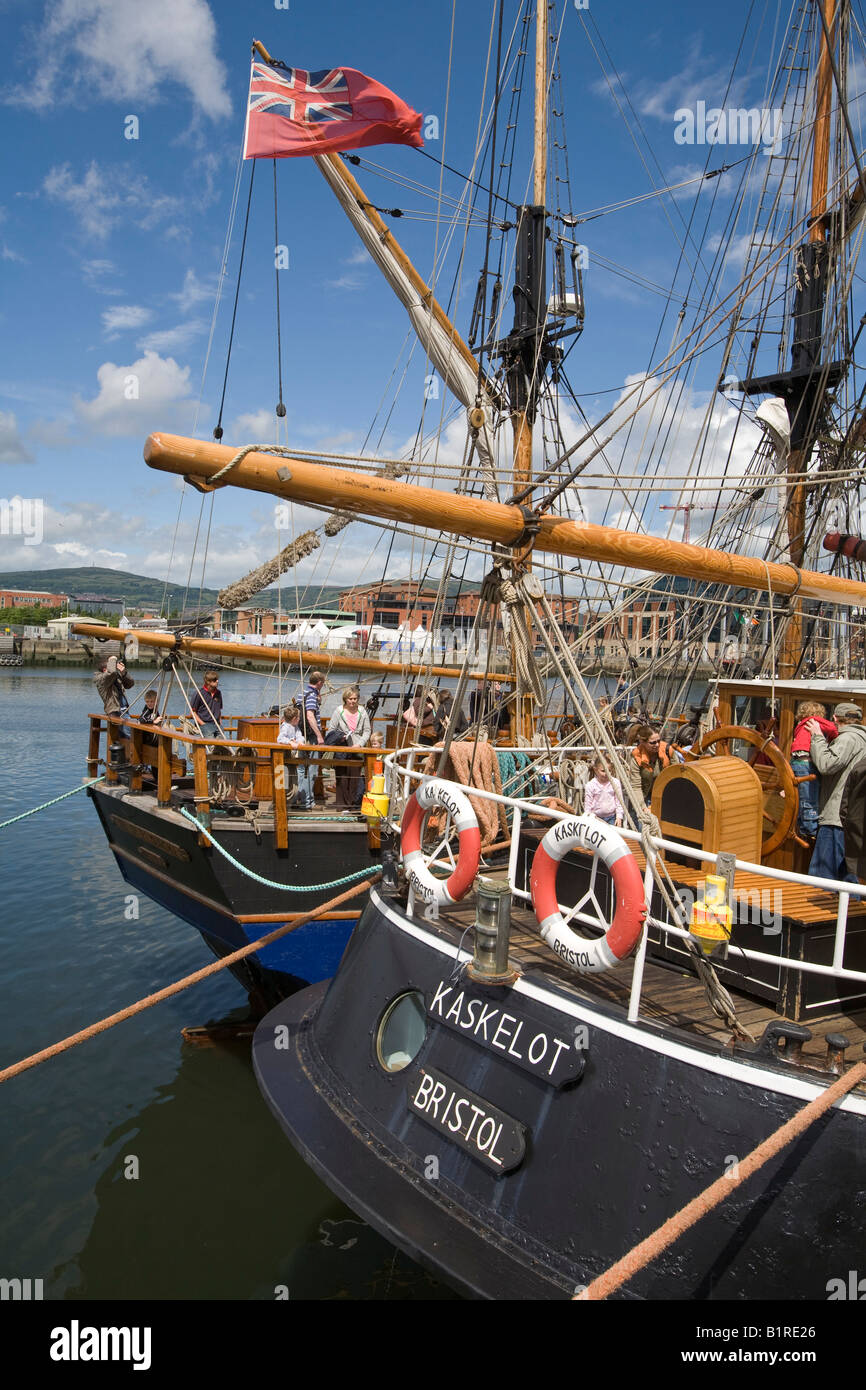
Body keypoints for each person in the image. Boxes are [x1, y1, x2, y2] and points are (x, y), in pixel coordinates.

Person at [805, 701, 866, 883]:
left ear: (834, 718)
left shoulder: (848, 739)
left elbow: (826, 764)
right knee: (847, 876)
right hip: (851, 817)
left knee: (822, 877)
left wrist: (817, 736)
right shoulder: (862, 739)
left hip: (835, 818)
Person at [790, 701, 837, 838]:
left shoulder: (800, 724)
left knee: (801, 796)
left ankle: (802, 825)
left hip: (795, 762)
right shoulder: (814, 721)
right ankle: (810, 829)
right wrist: (832, 739)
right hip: (807, 764)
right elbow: (833, 729)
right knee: (810, 796)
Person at [331, 686, 372, 808]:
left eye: (355, 698)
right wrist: (340, 737)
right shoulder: (338, 711)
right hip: (342, 748)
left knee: (355, 777)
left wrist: (360, 744)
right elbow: (332, 729)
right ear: (345, 699)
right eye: (350, 699)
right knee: (342, 777)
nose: (353, 701)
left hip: (357, 748)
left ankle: (352, 804)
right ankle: (341, 805)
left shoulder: (362, 711)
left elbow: (367, 731)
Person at [278, 702, 314, 809]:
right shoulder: (285, 727)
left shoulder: (295, 727)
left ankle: (290, 801)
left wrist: (300, 742)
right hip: (283, 757)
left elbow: (300, 736)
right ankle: (281, 802)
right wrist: (290, 742)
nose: (299, 719)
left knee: (292, 778)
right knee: (283, 779)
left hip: (292, 757)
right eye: (298, 717)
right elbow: (280, 739)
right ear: (294, 719)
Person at [631, 725, 670, 803]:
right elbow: (636, 786)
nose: (657, 745)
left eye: (659, 741)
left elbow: (677, 774)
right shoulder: (637, 757)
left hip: (666, 796)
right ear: (642, 742)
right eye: (653, 743)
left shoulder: (668, 751)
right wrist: (642, 807)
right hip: (644, 797)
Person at [583, 758, 624, 826]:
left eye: (609, 770)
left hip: (612, 818)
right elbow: (588, 805)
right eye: (603, 771)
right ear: (595, 770)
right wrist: (587, 818)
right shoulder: (590, 785)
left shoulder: (615, 783)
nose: (606, 774)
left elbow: (619, 801)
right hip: (595, 818)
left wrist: (619, 817)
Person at [191, 670, 223, 740]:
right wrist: (203, 724)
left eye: (217, 679)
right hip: (204, 724)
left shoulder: (218, 693)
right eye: (215, 680)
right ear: (208, 682)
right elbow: (193, 712)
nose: (217, 681)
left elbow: (219, 709)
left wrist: (220, 723)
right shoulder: (199, 693)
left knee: (222, 744)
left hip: (217, 725)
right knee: (210, 743)